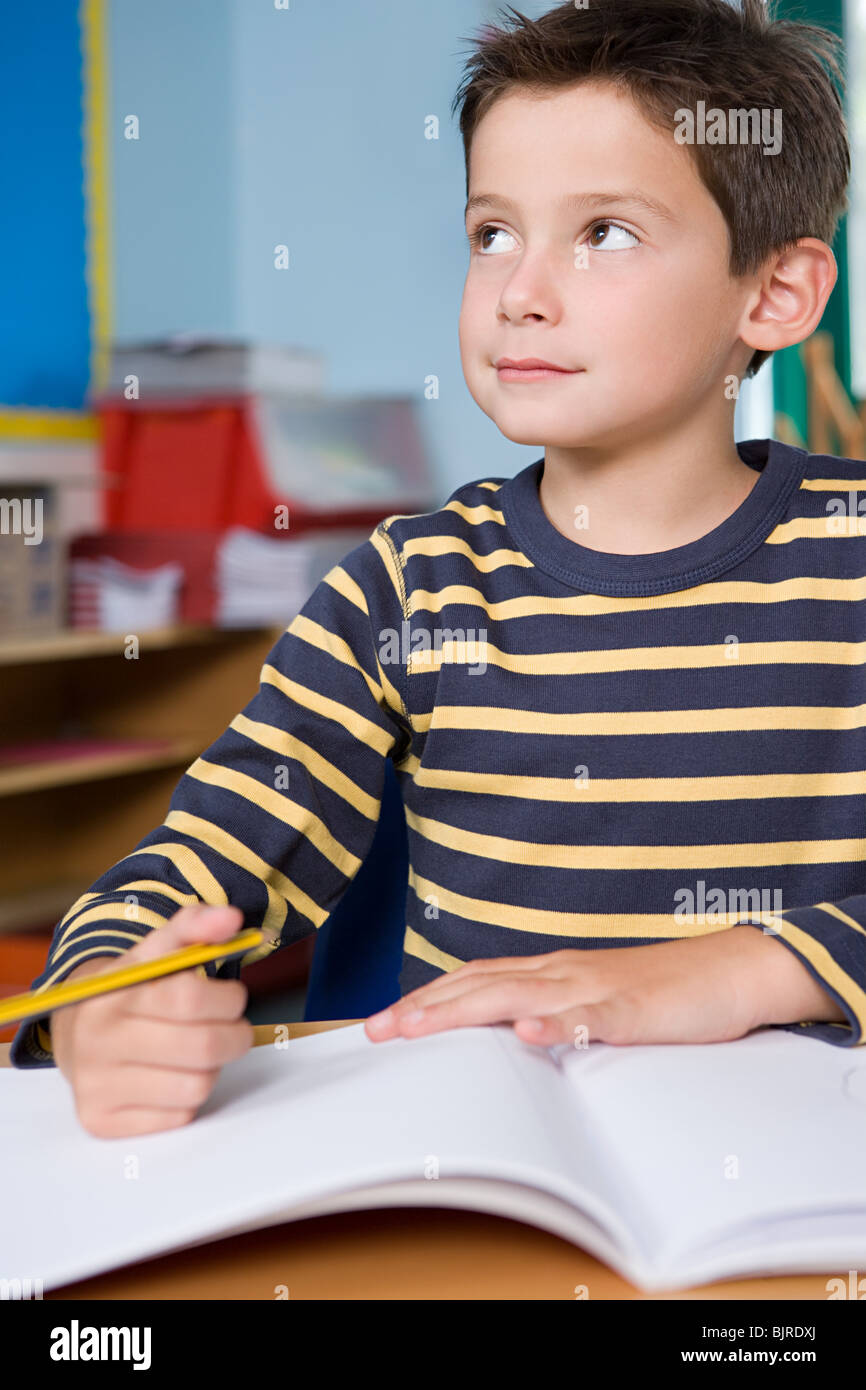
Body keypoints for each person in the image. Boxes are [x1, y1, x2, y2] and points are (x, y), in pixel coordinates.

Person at [14, 0, 864, 1141]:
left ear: (772, 294)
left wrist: (736, 969)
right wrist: (102, 1003)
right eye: (490, 233)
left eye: (604, 232)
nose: (518, 289)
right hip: (488, 1172)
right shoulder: (403, 590)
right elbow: (201, 857)